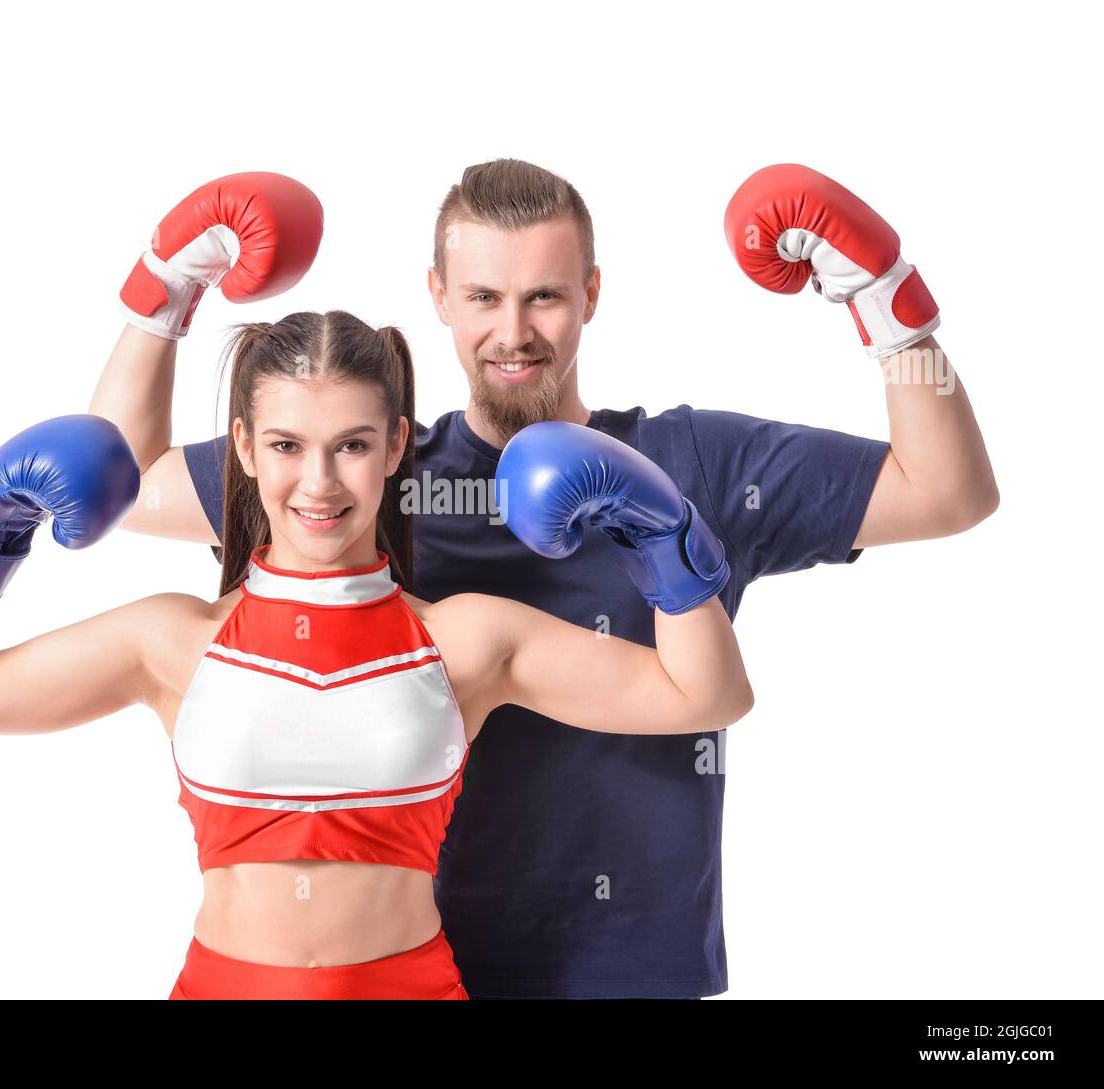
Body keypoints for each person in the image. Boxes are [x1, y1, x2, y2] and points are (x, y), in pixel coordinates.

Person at [95, 160, 1000, 998]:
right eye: (484, 295)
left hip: (631, 967)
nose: (514, 332)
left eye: (546, 297)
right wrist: (161, 293)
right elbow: (117, 482)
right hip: (409, 964)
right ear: (439, 297)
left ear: (592, 295)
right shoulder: (366, 474)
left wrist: (890, 307)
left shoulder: (692, 461)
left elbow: (949, 491)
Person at [0, 309, 754, 999]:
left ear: (393, 447)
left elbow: (702, 693)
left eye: (350, 444)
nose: (319, 482)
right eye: (286, 445)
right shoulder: (173, 641)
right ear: (242, 448)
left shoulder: (465, 639)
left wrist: (662, 534)